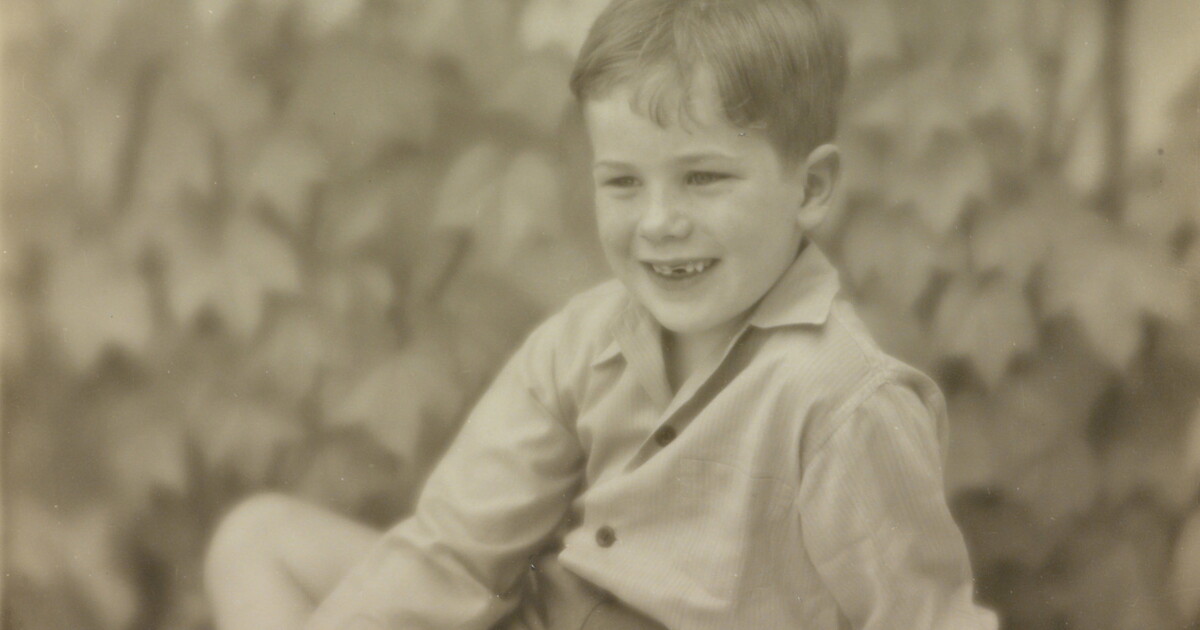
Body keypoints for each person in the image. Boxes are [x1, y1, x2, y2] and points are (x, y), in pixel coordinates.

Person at [204, 0, 1000, 628]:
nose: (658, 221)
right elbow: (453, 553)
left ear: (812, 188)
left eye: (703, 178)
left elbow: (928, 620)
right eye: (623, 182)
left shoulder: (843, 403)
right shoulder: (584, 340)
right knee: (259, 538)